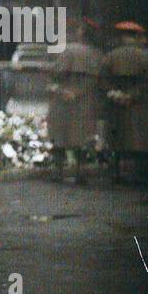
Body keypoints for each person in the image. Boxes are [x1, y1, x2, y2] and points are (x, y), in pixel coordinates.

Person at [46, 18, 104, 182]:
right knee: (82, 138)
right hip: (86, 101)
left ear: (81, 32)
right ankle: (80, 172)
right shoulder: (97, 54)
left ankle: (57, 172)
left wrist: (61, 89)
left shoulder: (69, 51)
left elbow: (57, 72)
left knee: (59, 136)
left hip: (64, 99)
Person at [103, 20, 148, 183]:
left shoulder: (111, 56)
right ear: (136, 37)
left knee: (118, 138)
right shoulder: (147, 55)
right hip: (139, 102)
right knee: (139, 137)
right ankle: (140, 174)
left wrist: (115, 93)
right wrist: (132, 96)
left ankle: (116, 173)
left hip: (117, 102)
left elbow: (104, 79)